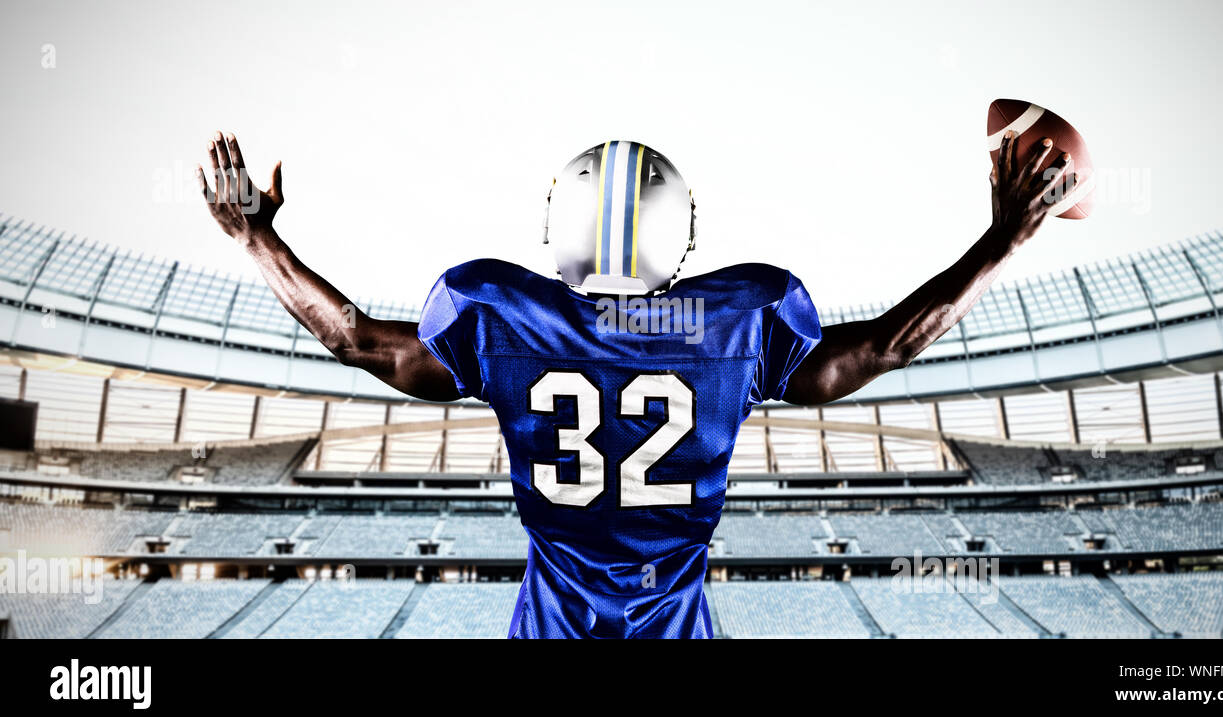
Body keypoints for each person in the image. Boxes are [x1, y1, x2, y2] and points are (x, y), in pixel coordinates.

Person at [197, 131, 1074, 638]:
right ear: (680, 242)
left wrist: (253, 238)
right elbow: (883, 347)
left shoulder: (497, 310)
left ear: (559, 228)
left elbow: (358, 341)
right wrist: (1001, 242)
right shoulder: (734, 318)